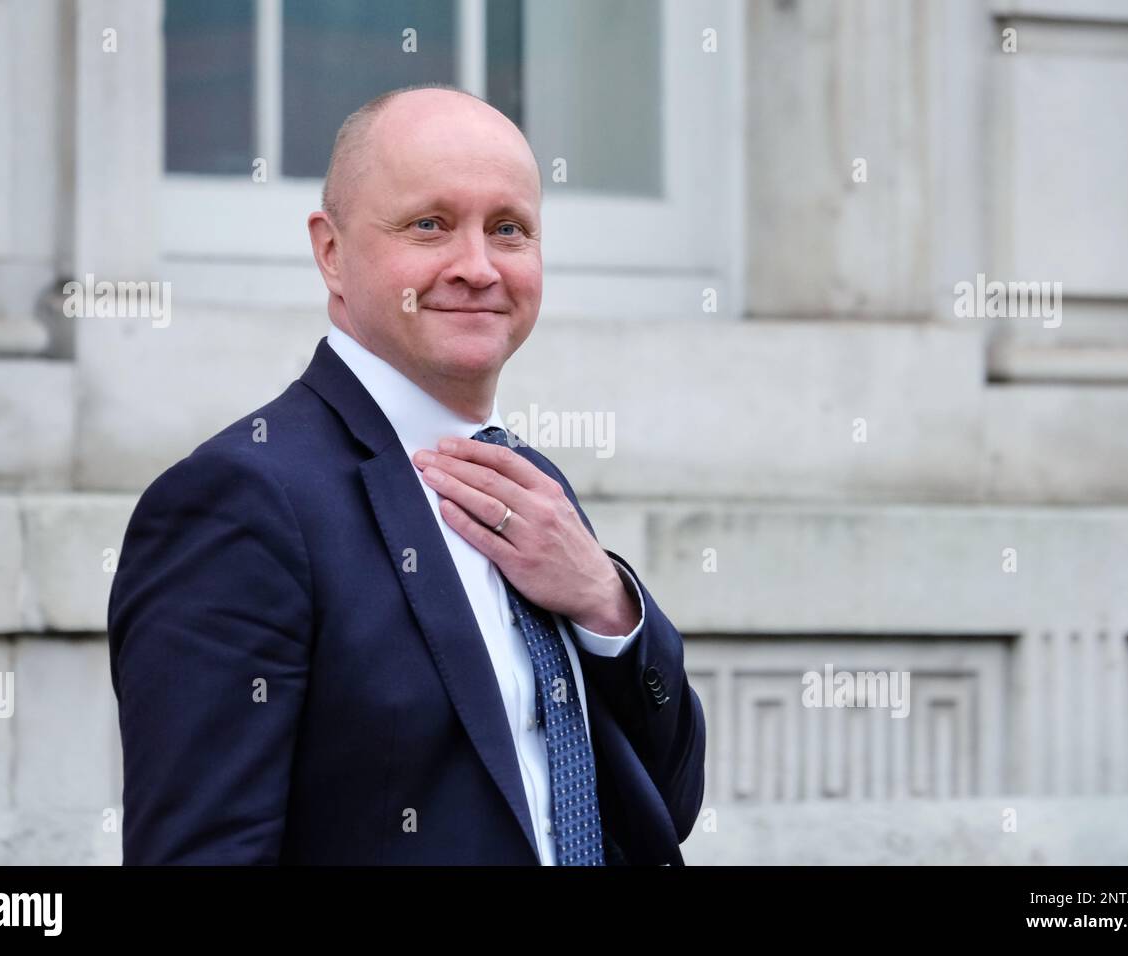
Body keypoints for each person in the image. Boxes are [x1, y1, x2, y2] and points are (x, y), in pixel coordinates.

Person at [108, 83, 706, 865]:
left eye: (509, 229)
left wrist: (606, 601)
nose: (478, 267)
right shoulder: (240, 501)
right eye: (430, 225)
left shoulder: (532, 488)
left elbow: (668, 802)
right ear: (331, 251)